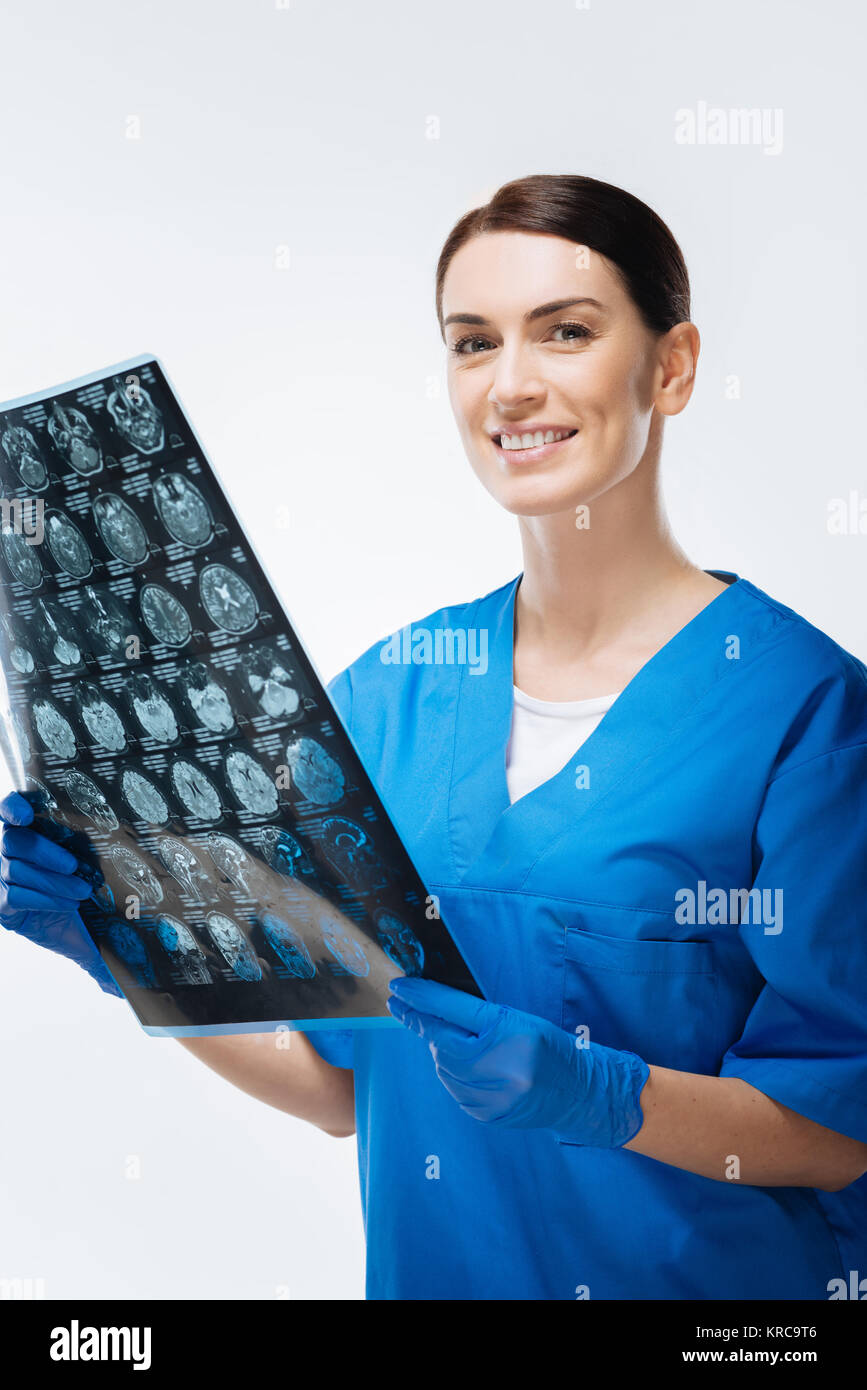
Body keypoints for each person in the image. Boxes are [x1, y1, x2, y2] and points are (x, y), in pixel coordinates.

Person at [3, 174, 866, 1301]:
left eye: (566, 332)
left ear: (673, 365)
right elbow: (340, 1084)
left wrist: (607, 1094)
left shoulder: (799, 711)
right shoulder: (391, 696)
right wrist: (126, 952)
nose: (512, 385)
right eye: (473, 342)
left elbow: (839, 1126)